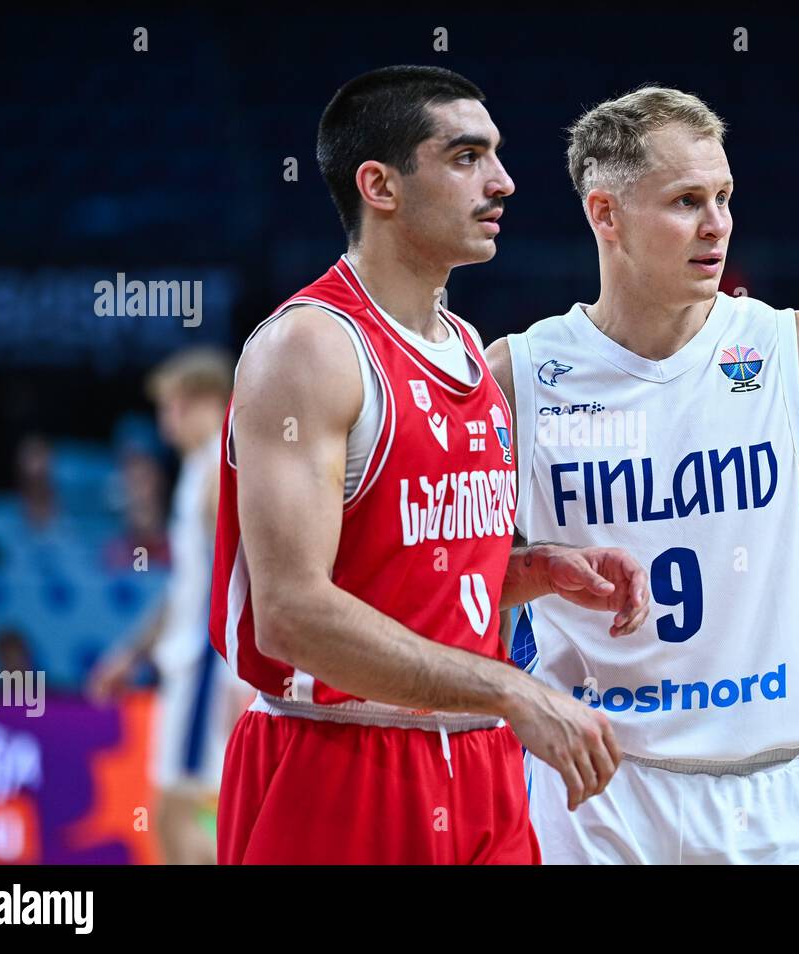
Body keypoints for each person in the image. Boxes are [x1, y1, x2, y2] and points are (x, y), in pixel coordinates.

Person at [209, 66, 649, 865]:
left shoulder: (468, 349)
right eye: (465, 157)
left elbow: (411, 572)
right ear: (378, 185)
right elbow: (293, 614)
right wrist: (511, 688)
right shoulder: (309, 348)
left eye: (497, 155)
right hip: (341, 755)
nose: (504, 181)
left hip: (478, 765)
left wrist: (537, 570)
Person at [487, 87, 799, 863]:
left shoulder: (796, 351)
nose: (716, 223)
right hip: (591, 797)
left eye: (722, 196)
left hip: (768, 792)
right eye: (686, 201)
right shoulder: (519, 376)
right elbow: (466, 586)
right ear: (605, 214)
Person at [88, 347, 248, 865]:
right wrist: (131, 654)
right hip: (196, 665)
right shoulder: (200, 471)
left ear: (204, 401)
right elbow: (189, 586)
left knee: (184, 810)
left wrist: (239, 679)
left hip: (208, 668)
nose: (164, 422)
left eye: (171, 406)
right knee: (188, 811)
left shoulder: (217, 473)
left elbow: (242, 584)